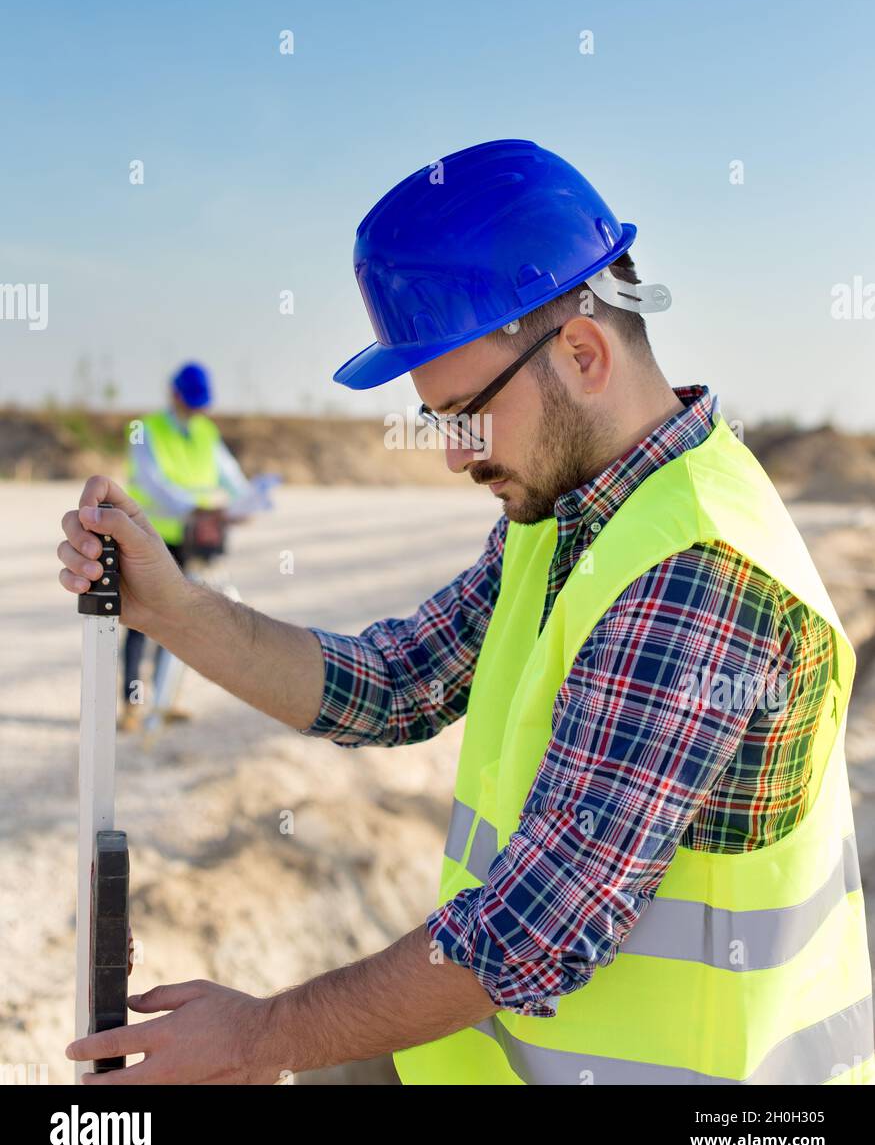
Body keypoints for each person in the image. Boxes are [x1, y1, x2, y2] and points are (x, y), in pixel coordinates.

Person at [58, 140, 873, 1086]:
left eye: (464, 416)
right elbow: (390, 687)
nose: (453, 456)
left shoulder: (695, 574)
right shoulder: (573, 511)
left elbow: (532, 932)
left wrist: (259, 1036)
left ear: (581, 350)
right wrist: (172, 607)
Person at [122, 361, 250, 720]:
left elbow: (231, 477)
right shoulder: (146, 429)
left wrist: (246, 502)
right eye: (191, 401)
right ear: (174, 394)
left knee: (177, 619)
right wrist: (194, 507)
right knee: (138, 620)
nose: (197, 409)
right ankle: (131, 706)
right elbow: (151, 483)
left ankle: (163, 702)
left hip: (193, 542)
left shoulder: (206, 432)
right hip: (149, 538)